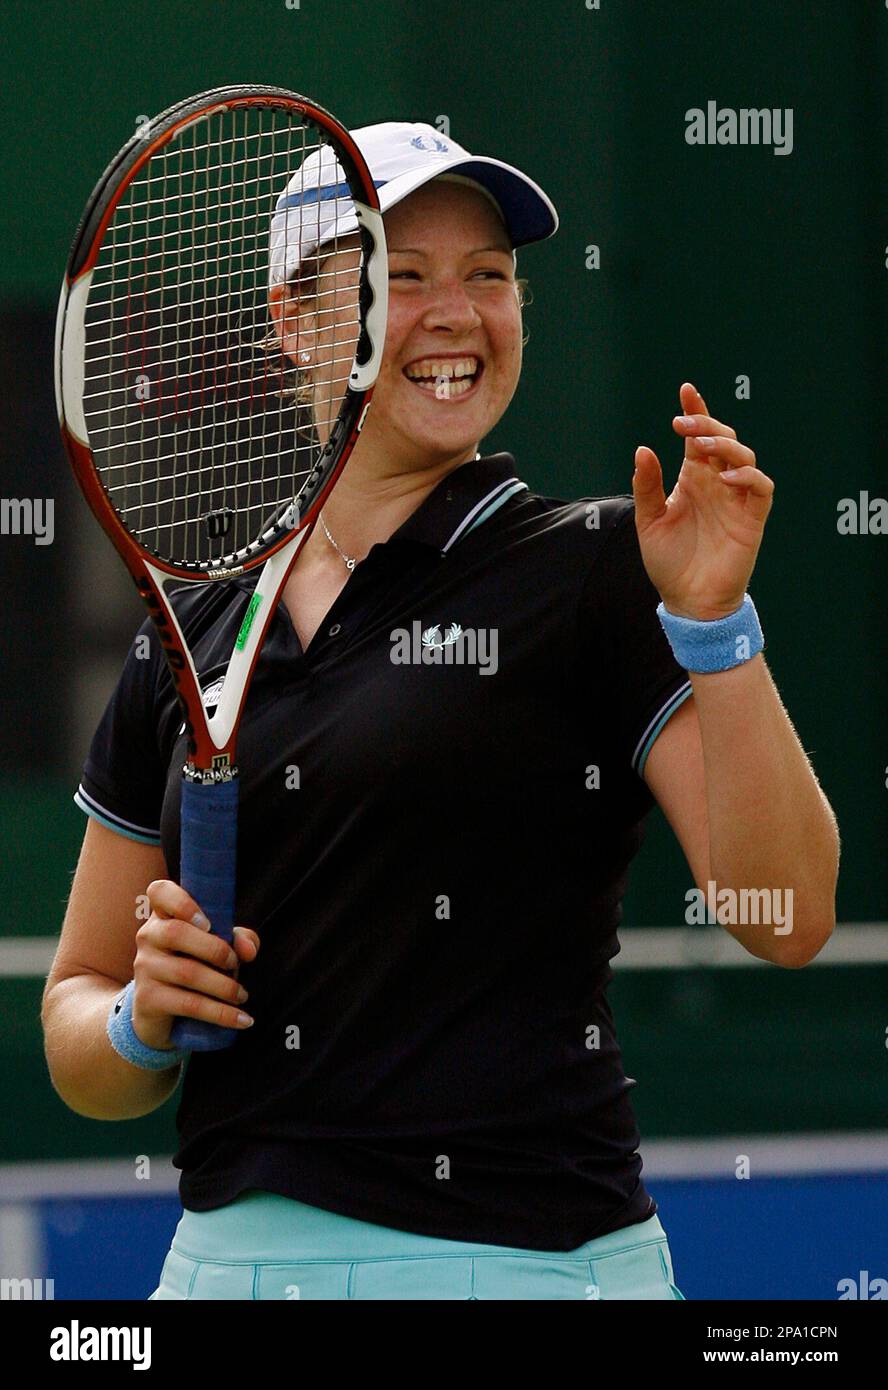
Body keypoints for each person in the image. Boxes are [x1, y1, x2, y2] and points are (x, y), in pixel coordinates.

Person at [42, 122, 840, 1301]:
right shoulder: (193, 630)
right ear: (292, 321)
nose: (457, 312)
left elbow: (789, 917)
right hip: (224, 1271)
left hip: (532, 1267)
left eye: (490, 277)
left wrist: (717, 624)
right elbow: (80, 1012)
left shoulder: (601, 570)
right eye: (400, 277)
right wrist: (138, 1022)